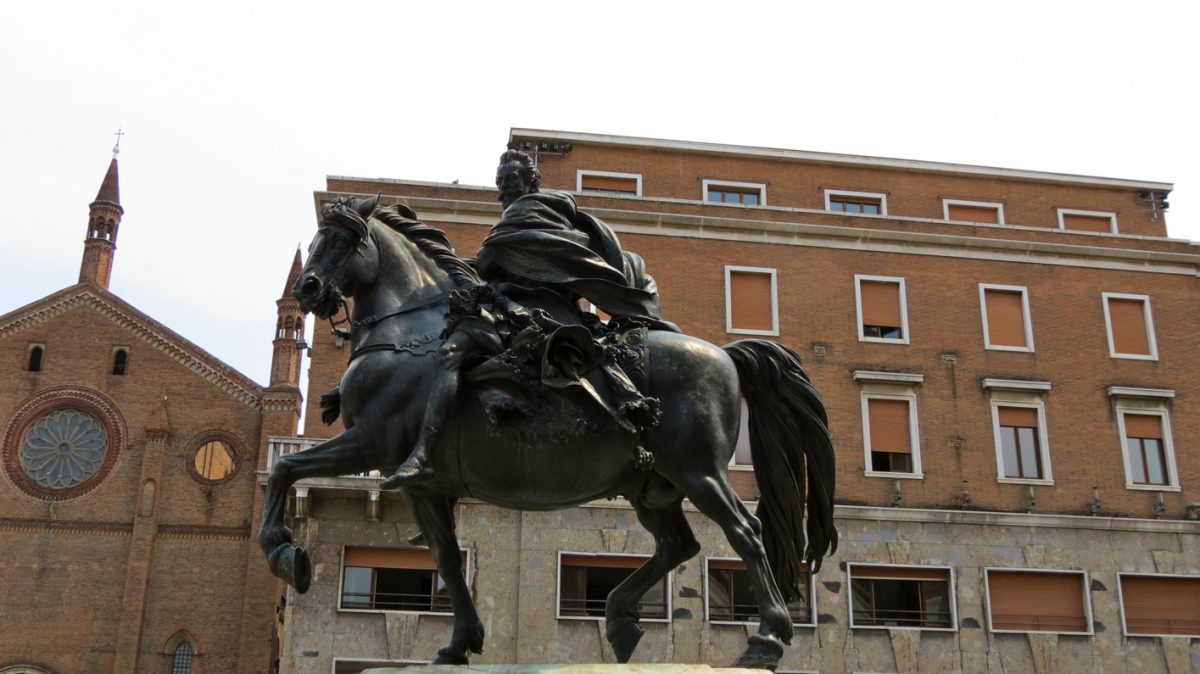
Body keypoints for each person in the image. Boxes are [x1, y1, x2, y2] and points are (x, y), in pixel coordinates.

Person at [381, 150, 674, 488]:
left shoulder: (527, 213)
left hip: (535, 315)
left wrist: (484, 280)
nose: (503, 190)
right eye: (500, 183)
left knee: (448, 355)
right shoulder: (543, 219)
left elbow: (496, 268)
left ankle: (422, 455)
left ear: (531, 182)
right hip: (515, 313)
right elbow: (491, 268)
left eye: (511, 181)